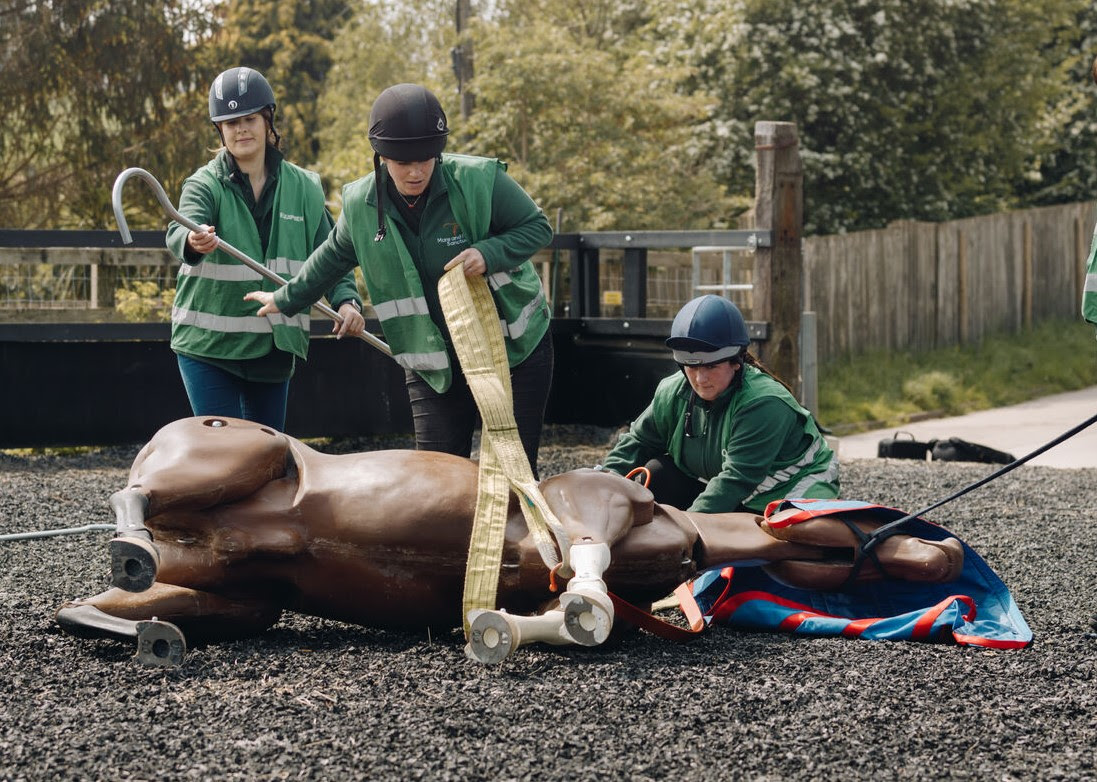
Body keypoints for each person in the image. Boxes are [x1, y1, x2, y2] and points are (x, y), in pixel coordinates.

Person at [245, 83, 554, 473]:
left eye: (426, 159)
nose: (416, 171)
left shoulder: (478, 180)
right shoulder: (361, 205)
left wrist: (488, 254)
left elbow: (538, 228)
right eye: (403, 162)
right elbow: (331, 258)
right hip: (434, 362)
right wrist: (284, 298)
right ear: (382, 157)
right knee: (436, 479)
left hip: (513, 351)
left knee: (514, 473)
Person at [165, 66, 364, 432]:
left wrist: (347, 301)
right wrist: (192, 240)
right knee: (223, 453)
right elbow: (180, 228)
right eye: (231, 122)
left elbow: (333, 252)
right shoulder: (204, 184)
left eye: (250, 119)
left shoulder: (304, 187)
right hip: (208, 348)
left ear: (268, 121)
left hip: (274, 347)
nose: (241, 129)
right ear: (220, 130)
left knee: (267, 452)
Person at [598, 294, 839, 513]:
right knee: (656, 474)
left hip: (789, 491)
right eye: (691, 367)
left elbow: (736, 479)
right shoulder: (672, 392)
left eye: (711, 366)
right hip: (726, 486)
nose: (700, 379)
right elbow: (638, 442)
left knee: (775, 541)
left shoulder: (765, 403)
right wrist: (600, 486)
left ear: (736, 362)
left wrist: (688, 528)